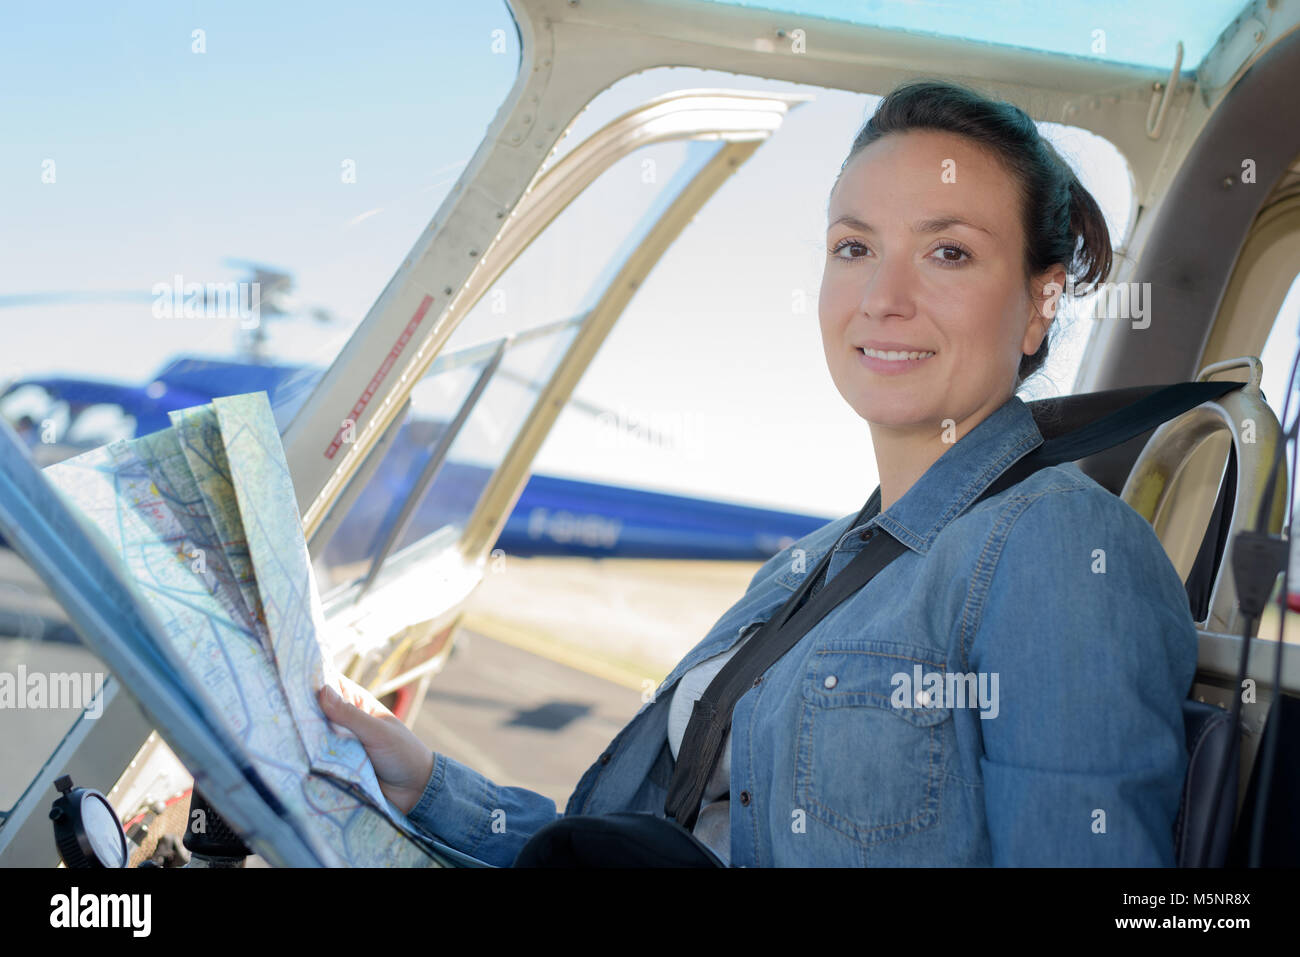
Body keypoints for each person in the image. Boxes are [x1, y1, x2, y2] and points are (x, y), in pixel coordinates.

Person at [318, 78, 1198, 867]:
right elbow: (652, 840)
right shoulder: (809, 566)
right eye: (854, 247)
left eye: (948, 253)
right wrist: (421, 780)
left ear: (1041, 303)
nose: (881, 297)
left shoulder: (1061, 546)